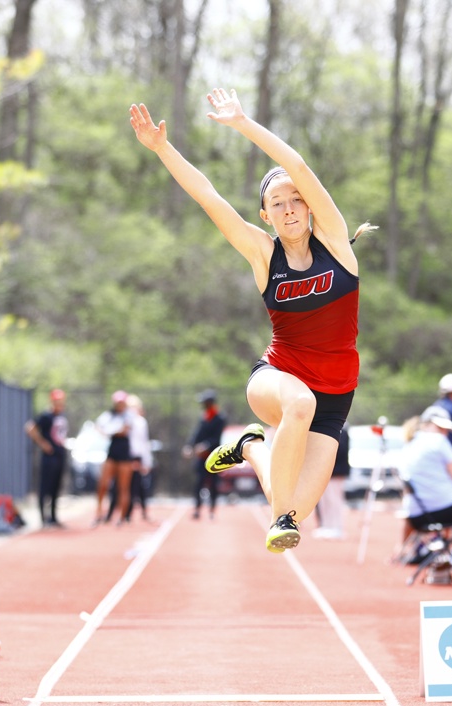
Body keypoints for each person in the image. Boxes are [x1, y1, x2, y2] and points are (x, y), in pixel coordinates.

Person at [130, 88, 375, 552]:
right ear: (266, 215)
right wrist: (163, 148)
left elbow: (299, 167)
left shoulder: (338, 247)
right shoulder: (264, 254)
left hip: (336, 395)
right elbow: (209, 198)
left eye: (295, 200)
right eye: (277, 203)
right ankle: (271, 487)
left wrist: (243, 122)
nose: (288, 208)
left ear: (309, 206)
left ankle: (250, 447)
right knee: (297, 410)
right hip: (278, 378)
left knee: (292, 511)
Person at [397, 405, 452, 584]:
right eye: (441, 428)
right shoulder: (439, 442)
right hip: (440, 511)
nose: (444, 433)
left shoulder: (408, 444)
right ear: (429, 424)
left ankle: (442, 560)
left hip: (415, 516)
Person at [25, 388, 69, 528]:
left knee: (56, 487)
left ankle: (54, 517)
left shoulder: (61, 415)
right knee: (45, 486)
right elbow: (30, 428)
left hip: (60, 454)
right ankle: (43, 518)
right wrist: (43, 444)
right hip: (49, 456)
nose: (59, 403)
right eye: (56, 400)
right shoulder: (46, 416)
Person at [182, 390, 227, 520]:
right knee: (199, 483)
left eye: (205, 402)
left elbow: (216, 438)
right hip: (201, 458)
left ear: (210, 402)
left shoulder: (219, 417)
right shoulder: (204, 416)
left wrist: (205, 446)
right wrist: (189, 446)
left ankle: (212, 509)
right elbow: (197, 434)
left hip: (214, 457)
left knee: (213, 484)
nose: (202, 404)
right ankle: (197, 508)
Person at [95, 390, 134, 526]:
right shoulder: (108, 415)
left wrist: (112, 431)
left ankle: (122, 517)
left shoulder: (129, 415)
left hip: (124, 453)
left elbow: (124, 430)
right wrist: (111, 431)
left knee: (123, 487)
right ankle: (98, 513)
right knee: (103, 483)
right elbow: (100, 427)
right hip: (112, 451)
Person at [313, 423, 350, 540]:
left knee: (334, 500)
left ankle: (337, 527)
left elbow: (340, 451)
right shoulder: (327, 430)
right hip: (324, 471)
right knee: (324, 501)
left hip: (336, 472)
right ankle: (326, 525)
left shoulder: (342, 432)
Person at [122, 393, 154, 523]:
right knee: (127, 486)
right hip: (125, 457)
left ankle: (137, 511)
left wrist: (146, 461)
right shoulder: (124, 420)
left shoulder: (140, 422)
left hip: (136, 457)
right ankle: (125, 513)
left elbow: (143, 442)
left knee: (137, 485)